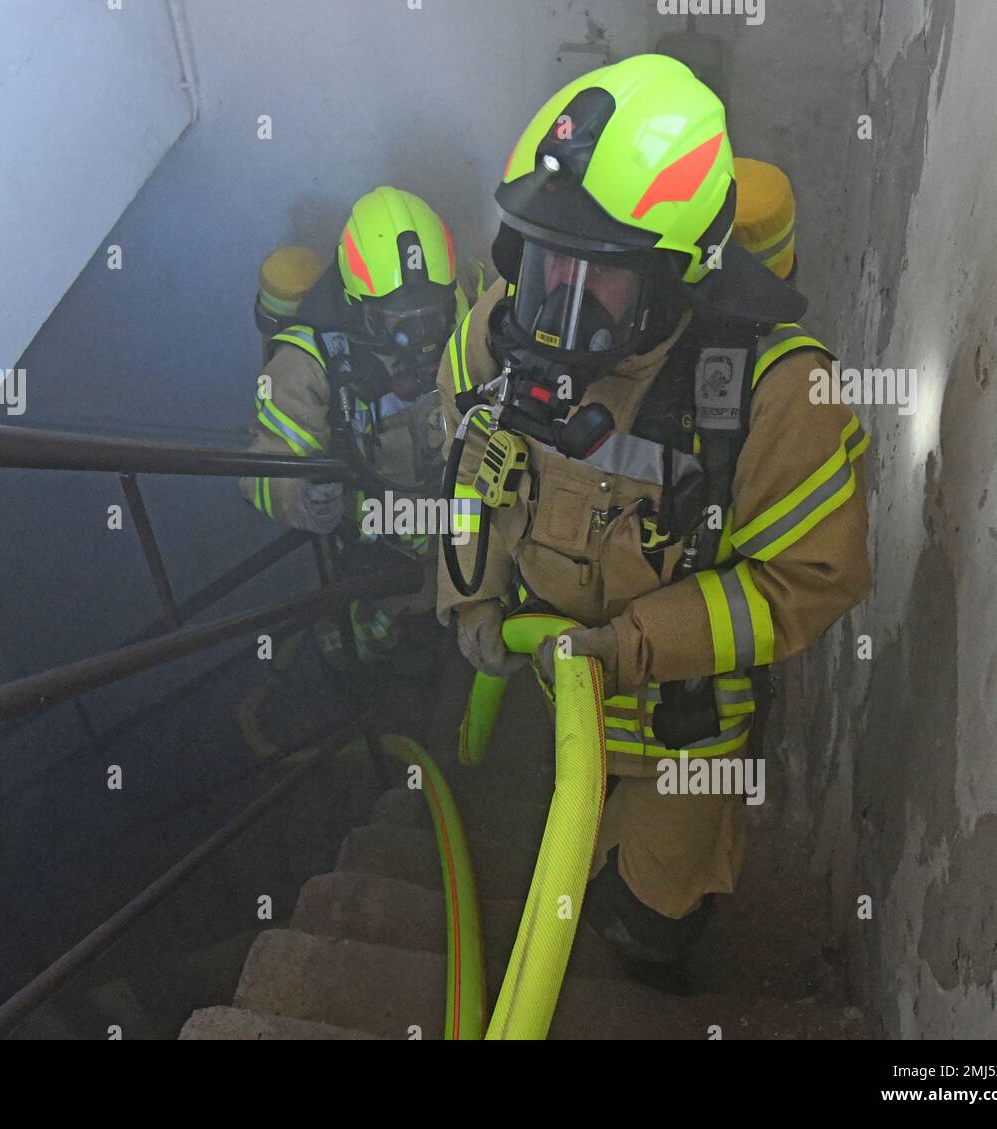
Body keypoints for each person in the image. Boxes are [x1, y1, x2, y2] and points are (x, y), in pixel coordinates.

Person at [438, 54, 871, 988]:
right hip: (559, 693)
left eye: (601, 273)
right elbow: (471, 462)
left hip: (687, 729)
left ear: (679, 276)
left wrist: (630, 646)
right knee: (571, 846)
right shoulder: (492, 335)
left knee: (652, 920)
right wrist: (471, 597)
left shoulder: (778, 395)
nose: (557, 300)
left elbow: (810, 578)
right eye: (547, 257)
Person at [240, 186, 476, 664]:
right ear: (358, 309)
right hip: (380, 559)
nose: (424, 338)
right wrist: (303, 497)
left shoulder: (467, 307)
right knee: (358, 653)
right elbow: (262, 469)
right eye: (401, 323)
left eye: (432, 317)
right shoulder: (306, 365)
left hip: (467, 540)